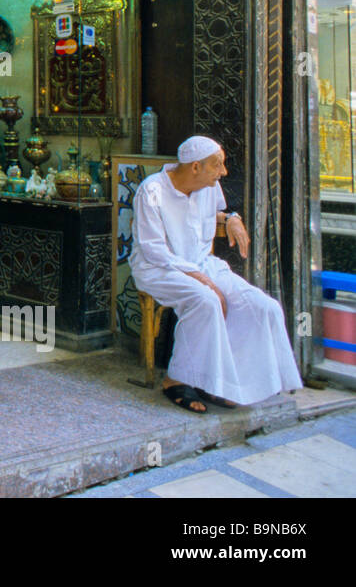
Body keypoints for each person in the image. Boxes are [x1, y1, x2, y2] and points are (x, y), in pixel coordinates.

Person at [129, 135, 302, 412]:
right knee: (205, 300)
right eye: (217, 165)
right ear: (195, 167)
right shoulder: (151, 191)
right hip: (158, 268)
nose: (224, 172)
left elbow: (216, 213)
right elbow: (153, 249)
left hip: (202, 263)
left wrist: (232, 218)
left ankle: (226, 383)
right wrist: (202, 279)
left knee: (263, 307)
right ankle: (176, 380)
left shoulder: (209, 186)